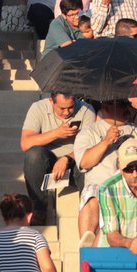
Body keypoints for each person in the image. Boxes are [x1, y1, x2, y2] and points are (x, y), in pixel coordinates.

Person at [75, 98, 137, 246]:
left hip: (133, 186)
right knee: (93, 195)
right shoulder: (90, 131)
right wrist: (106, 141)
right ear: (107, 107)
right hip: (101, 186)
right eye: (122, 104)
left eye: (128, 104)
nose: (128, 107)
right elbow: (84, 162)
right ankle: (87, 244)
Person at [21, 90, 95, 221]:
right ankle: (39, 208)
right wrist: (56, 133)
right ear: (51, 101)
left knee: (87, 165)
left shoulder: (86, 110)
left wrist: (67, 159)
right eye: (62, 108)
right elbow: (25, 143)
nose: (67, 112)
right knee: (33, 156)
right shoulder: (38, 108)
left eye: (71, 107)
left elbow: (89, 147)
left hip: (74, 161)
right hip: (46, 161)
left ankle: (87, 211)